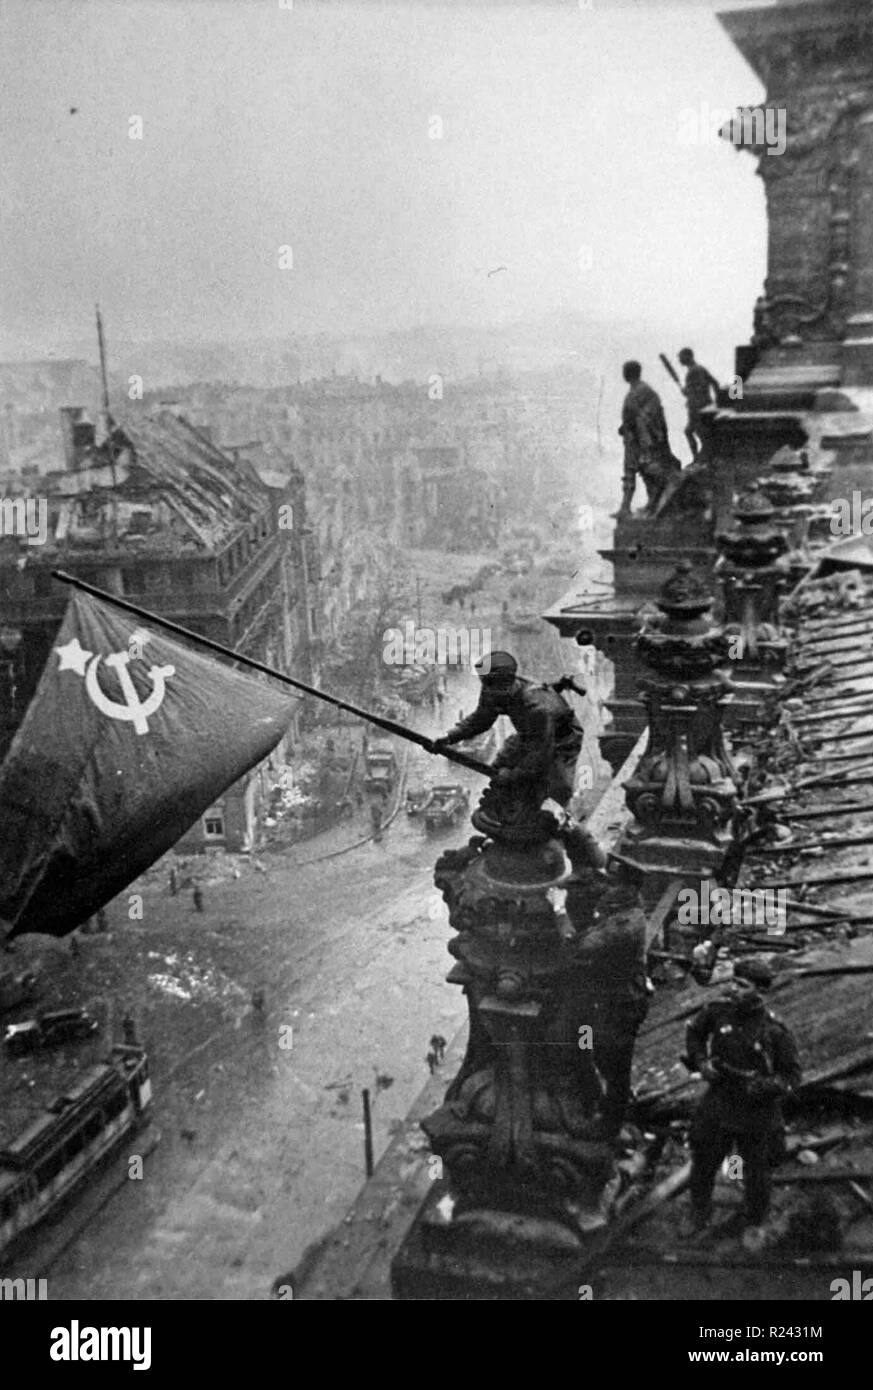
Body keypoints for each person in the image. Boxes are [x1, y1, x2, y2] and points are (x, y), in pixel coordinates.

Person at [681, 958, 801, 1246]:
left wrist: (761, 1087)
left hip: (755, 1110)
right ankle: (699, 1211)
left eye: (743, 985)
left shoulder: (774, 1031)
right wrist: (701, 1062)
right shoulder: (718, 1011)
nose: (734, 988)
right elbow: (695, 1033)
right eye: (733, 982)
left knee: (757, 1172)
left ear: (760, 991)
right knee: (704, 1160)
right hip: (720, 1100)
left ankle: (755, 1219)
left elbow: (792, 1076)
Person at [433, 651, 585, 812]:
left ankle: (561, 819)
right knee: (499, 767)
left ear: (505, 684)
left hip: (562, 739)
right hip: (530, 733)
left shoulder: (535, 707)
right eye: (484, 682)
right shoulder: (494, 689)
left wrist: (513, 775)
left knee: (554, 790)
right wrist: (449, 737)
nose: (486, 690)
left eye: (490, 683)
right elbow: (481, 719)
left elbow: (540, 753)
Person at [617, 360, 681, 517]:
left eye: (625, 371)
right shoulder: (639, 391)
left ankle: (660, 494)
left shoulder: (642, 391)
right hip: (635, 438)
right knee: (636, 471)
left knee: (643, 469)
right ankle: (639, 505)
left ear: (630, 373)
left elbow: (649, 415)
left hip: (643, 439)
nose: (623, 374)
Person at [678, 347, 720, 461]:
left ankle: (698, 457)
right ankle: (701, 456)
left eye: (681, 356)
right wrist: (717, 401)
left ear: (688, 356)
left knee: (694, 432)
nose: (679, 359)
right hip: (704, 406)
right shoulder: (700, 369)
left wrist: (686, 392)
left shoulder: (693, 371)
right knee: (697, 432)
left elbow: (697, 389)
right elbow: (714, 383)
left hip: (697, 408)